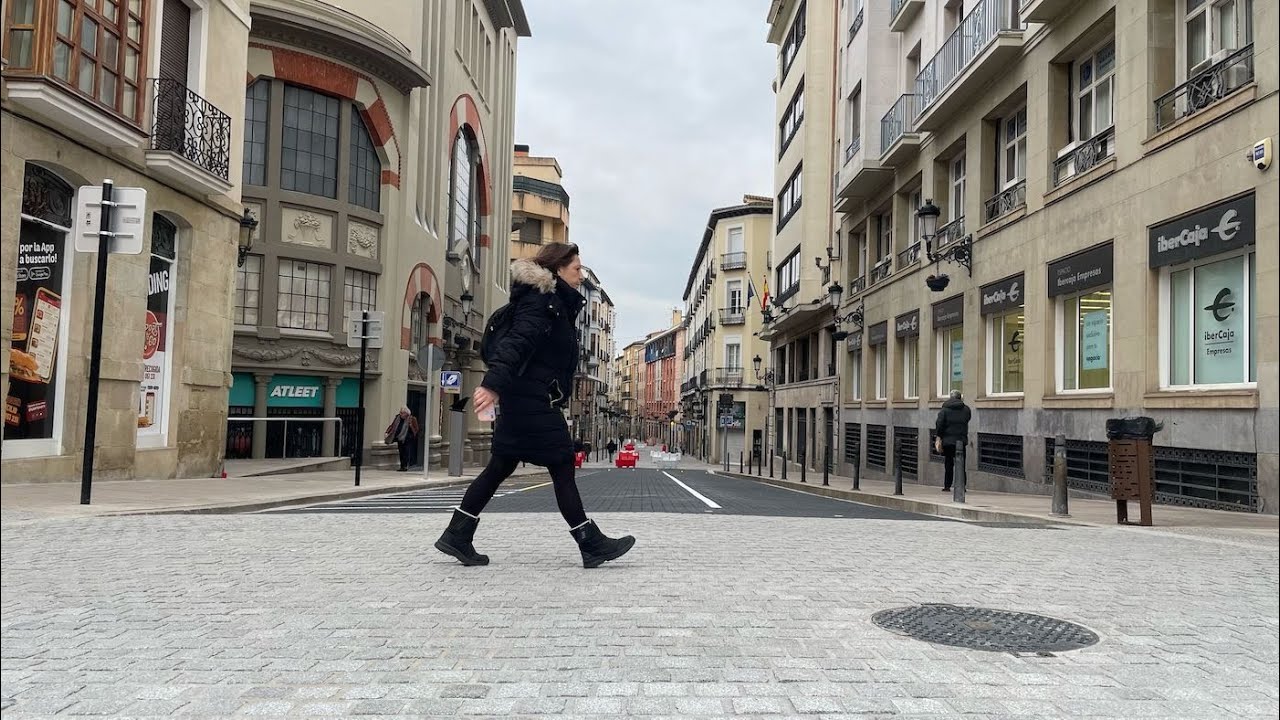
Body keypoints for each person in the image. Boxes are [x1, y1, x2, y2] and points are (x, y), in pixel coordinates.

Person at [435, 243, 635, 568]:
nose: (580, 274)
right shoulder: (542, 302)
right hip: (532, 399)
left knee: (501, 465)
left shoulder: (553, 303)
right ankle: (590, 542)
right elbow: (518, 341)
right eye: (576, 268)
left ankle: (458, 532)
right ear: (558, 269)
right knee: (561, 464)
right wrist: (492, 383)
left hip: (525, 397)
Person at [934, 389, 972, 492]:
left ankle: (947, 485)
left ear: (951, 398)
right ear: (960, 398)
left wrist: (939, 436)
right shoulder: (966, 409)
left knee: (949, 463)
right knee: (961, 464)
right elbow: (967, 419)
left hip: (948, 441)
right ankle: (962, 486)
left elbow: (939, 424)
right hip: (961, 441)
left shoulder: (944, 410)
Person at [384, 406, 420, 472]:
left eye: (402, 413)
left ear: (406, 413)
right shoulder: (398, 418)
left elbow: (416, 429)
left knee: (406, 452)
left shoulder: (412, 419)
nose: (401, 414)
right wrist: (387, 432)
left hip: (408, 438)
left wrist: (411, 425)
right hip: (399, 438)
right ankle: (402, 466)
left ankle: (405, 466)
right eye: (400, 412)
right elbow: (392, 425)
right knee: (401, 452)